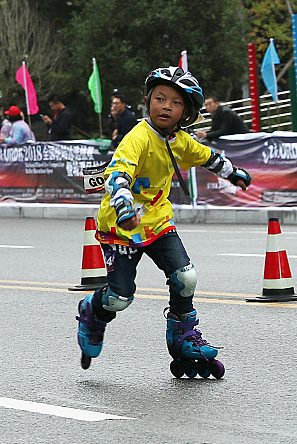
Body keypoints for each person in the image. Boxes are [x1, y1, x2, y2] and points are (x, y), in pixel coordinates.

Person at [76, 67, 251, 378]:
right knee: (120, 298)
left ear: (187, 112)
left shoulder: (179, 140)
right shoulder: (138, 138)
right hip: (122, 226)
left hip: (157, 222)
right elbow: (117, 176)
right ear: (148, 101)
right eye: (160, 98)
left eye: (176, 102)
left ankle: (183, 337)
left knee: (186, 277)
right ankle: (93, 310)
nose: (167, 106)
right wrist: (123, 207)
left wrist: (231, 172)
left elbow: (206, 156)